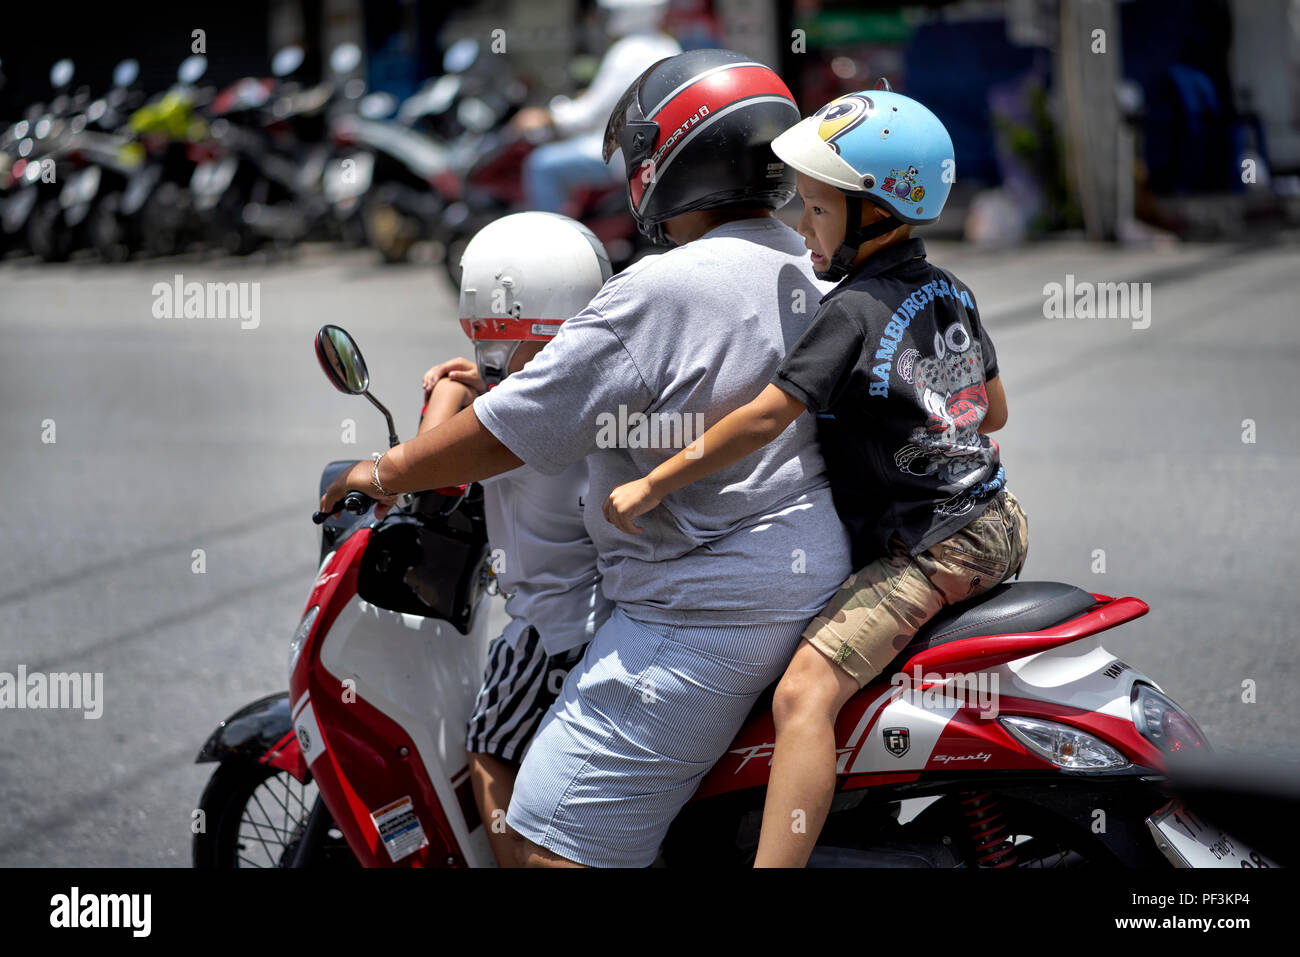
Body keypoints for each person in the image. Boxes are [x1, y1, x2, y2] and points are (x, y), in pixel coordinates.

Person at [321, 49, 852, 867]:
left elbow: (512, 428)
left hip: (701, 612)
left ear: (671, 158)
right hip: (808, 577)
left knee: (540, 839)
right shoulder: (806, 266)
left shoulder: (661, 288)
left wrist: (380, 471)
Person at [602, 88, 1029, 867]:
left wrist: (655, 482)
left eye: (821, 209)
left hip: (936, 549)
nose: (802, 225)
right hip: (996, 518)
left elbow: (766, 416)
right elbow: (991, 412)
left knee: (804, 691)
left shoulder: (852, 312)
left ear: (877, 214)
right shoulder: (948, 291)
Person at [415, 212, 615, 867]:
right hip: (607, 619)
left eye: (492, 345)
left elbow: (427, 473)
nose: (487, 360)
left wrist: (446, 393)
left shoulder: (516, 421)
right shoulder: (592, 391)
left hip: (546, 629)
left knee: (489, 748)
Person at [511, 0, 679, 213]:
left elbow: (588, 115)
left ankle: (550, 238)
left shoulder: (628, 52)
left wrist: (549, 117)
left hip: (622, 156)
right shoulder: (665, 44)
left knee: (541, 165)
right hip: (647, 148)